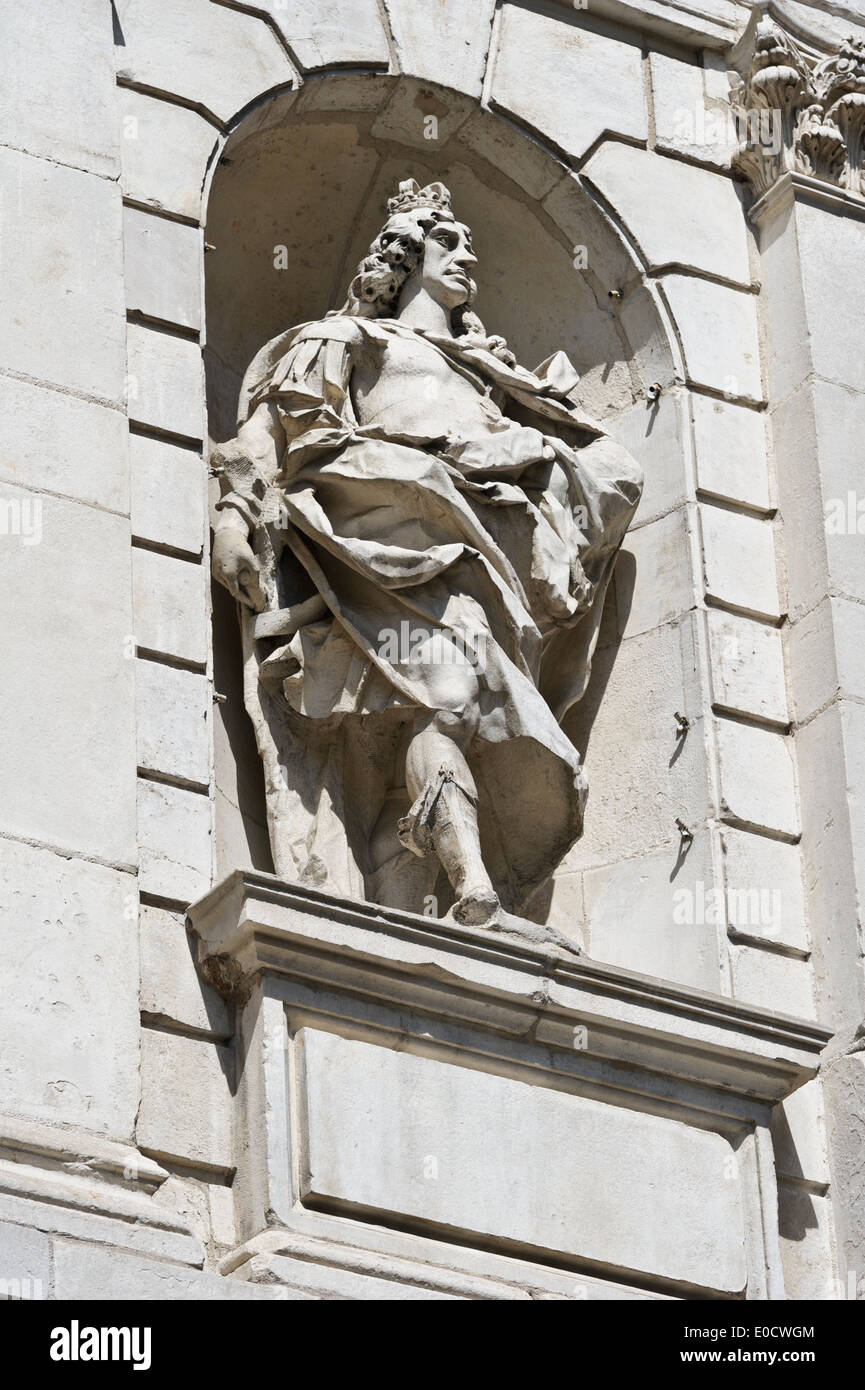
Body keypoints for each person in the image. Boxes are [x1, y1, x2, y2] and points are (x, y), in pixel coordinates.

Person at [212, 179, 642, 926]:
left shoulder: (493, 374)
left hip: (483, 550)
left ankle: (397, 924)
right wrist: (234, 511)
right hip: (380, 532)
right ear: (404, 257)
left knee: (449, 718)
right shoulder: (347, 338)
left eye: (470, 244)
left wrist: (533, 454)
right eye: (450, 242)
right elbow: (270, 432)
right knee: (447, 700)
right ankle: (473, 889)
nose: (468, 255)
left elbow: (595, 473)